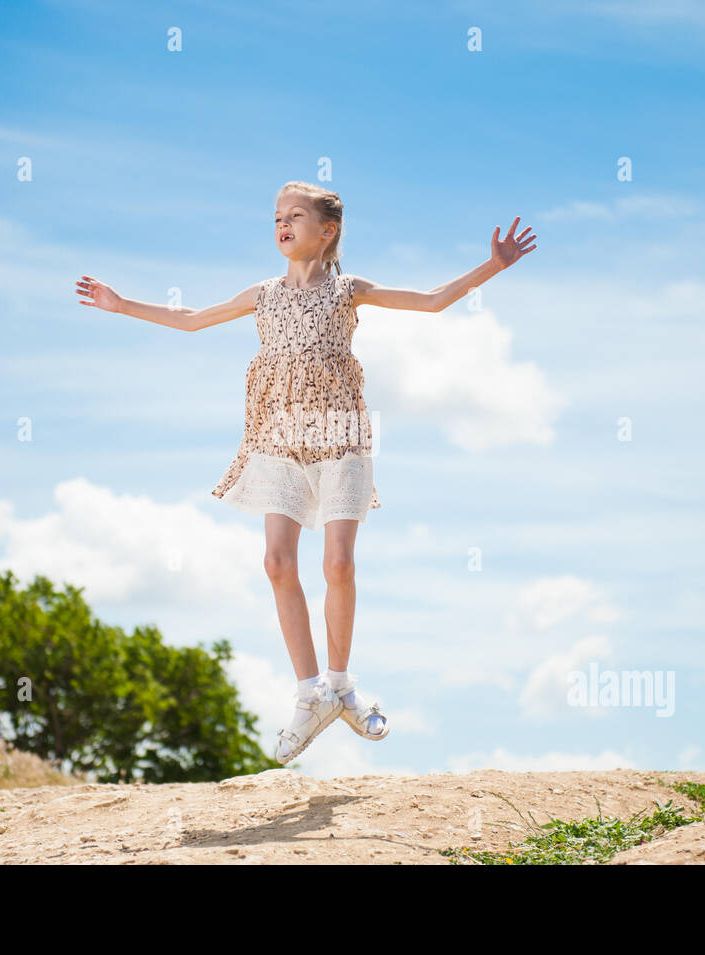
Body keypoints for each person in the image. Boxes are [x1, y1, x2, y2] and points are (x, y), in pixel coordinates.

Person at [75, 181, 535, 765]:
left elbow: (432, 300)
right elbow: (190, 318)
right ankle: (310, 693)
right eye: (276, 218)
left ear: (329, 230)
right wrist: (123, 304)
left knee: (338, 562)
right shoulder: (262, 294)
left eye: (296, 216)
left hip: (340, 434)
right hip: (276, 435)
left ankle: (342, 686)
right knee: (275, 562)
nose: (283, 225)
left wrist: (491, 267)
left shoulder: (349, 289)